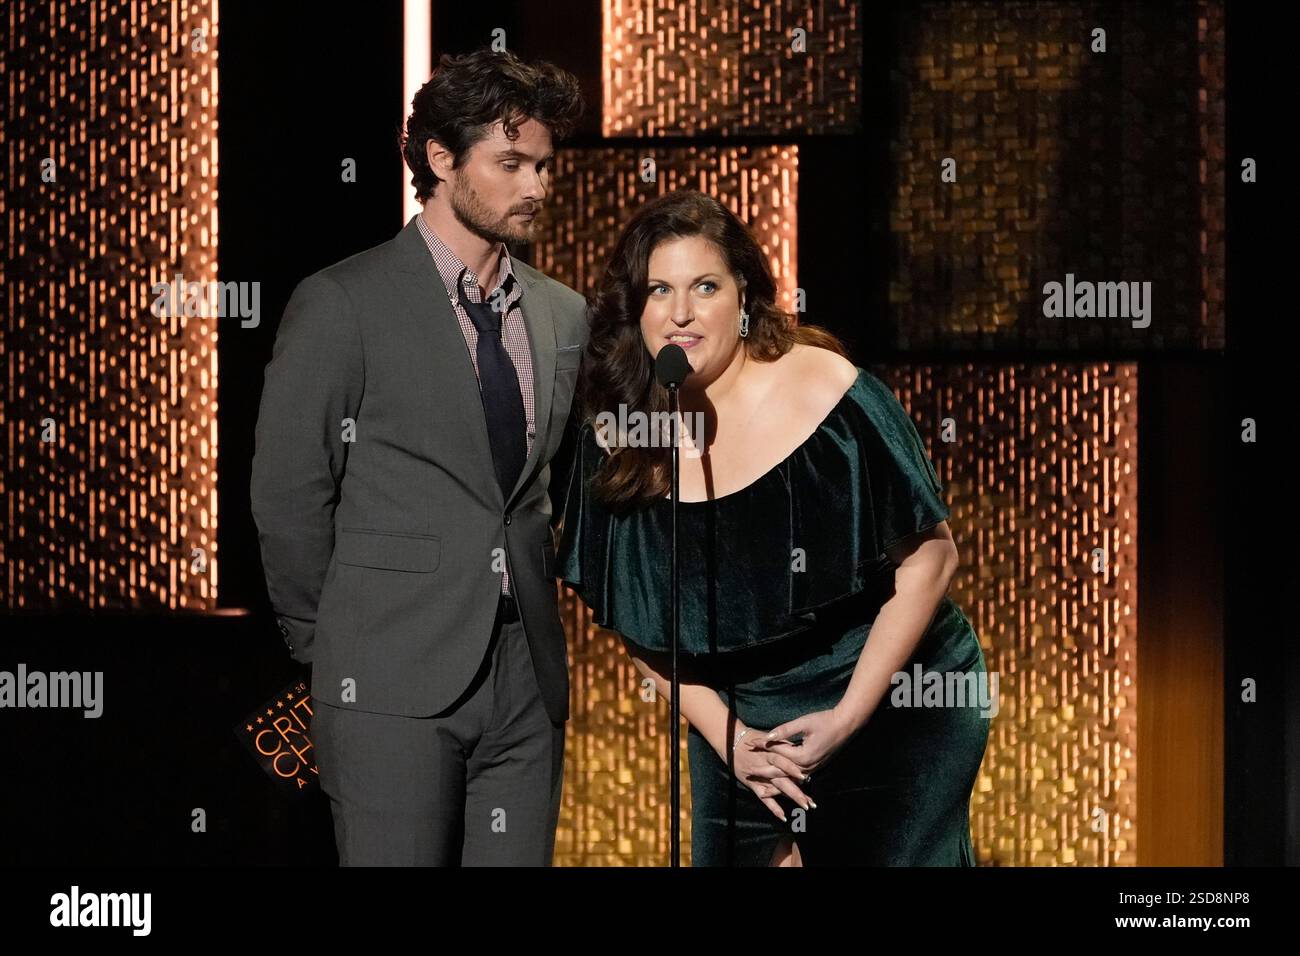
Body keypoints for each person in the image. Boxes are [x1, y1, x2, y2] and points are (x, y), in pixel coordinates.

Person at [556, 190, 990, 866]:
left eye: (705, 286)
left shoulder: (823, 388)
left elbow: (930, 560)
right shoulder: (620, 434)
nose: (680, 313)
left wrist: (846, 718)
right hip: (738, 720)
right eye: (658, 290)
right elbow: (639, 624)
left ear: (745, 296)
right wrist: (730, 740)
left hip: (886, 699)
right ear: (633, 309)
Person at [250, 49, 587, 865]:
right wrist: (330, 645)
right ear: (440, 159)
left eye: (542, 164)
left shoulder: (562, 312)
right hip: (384, 677)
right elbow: (289, 497)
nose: (535, 186)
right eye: (510, 163)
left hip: (524, 677)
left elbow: (555, 491)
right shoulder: (343, 303)